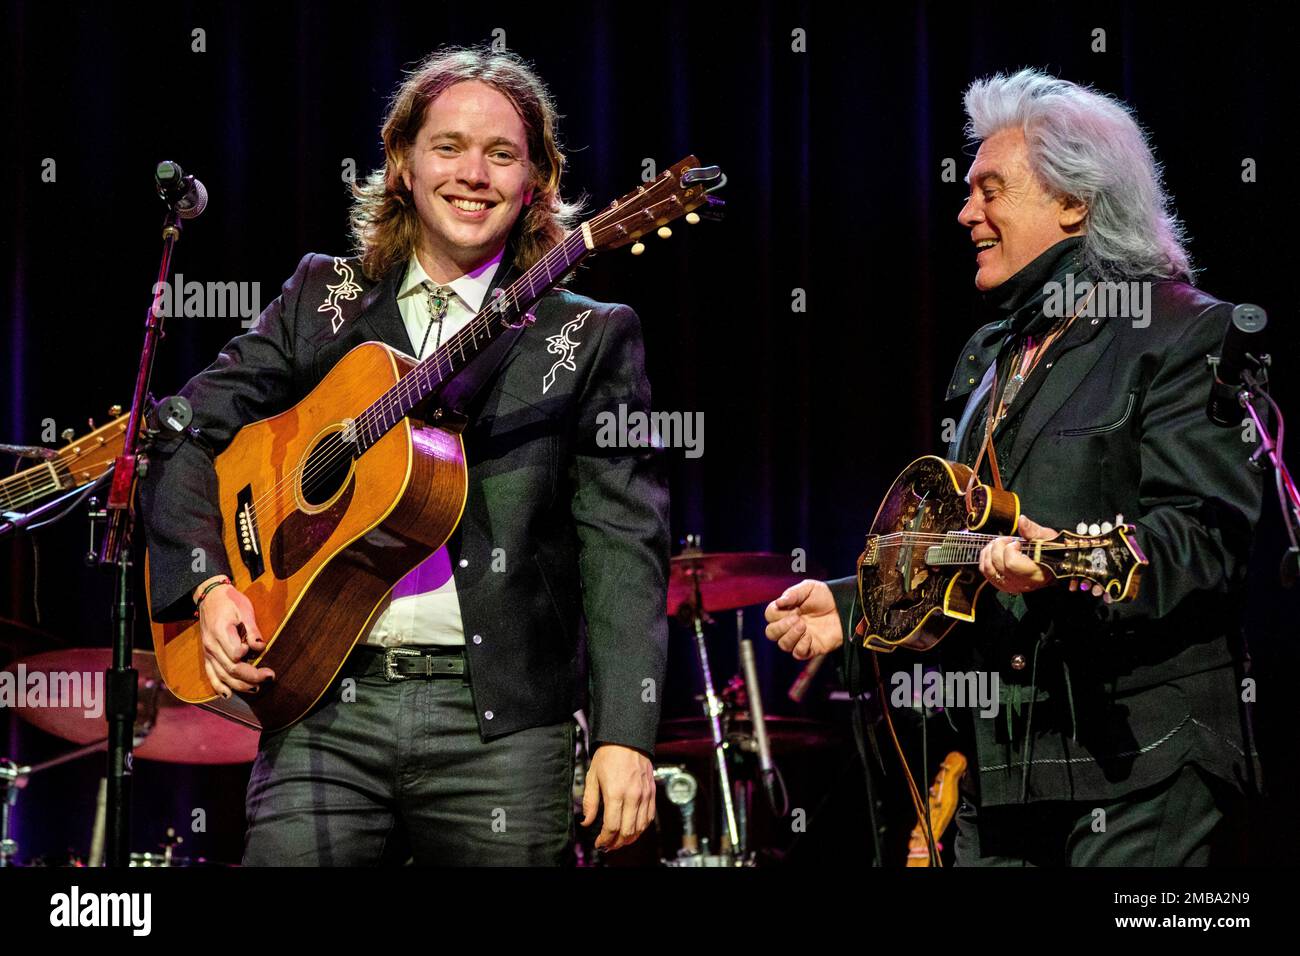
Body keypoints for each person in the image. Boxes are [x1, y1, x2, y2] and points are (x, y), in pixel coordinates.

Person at [140, 46, 669, 865]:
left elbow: (622, 541)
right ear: (401, 166)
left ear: (536, 183)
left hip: (502, 730)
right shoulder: (324, 297)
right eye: (448, 147)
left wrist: (626, 735)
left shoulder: (589, 334)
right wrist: (207, 583)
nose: (474, 174)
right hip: (322, 706)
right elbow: (181, 430)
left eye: (503, 155)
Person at [765, 69, 1262, 866]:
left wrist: (1071, 566)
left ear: (1074, 201)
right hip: (1005, 772)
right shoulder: (991, 355)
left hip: (1144, 761)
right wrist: (855, 610)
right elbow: (967, 548)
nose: (966, 213)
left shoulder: (1179, 332)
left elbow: (1206, 540)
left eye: (990, 190)